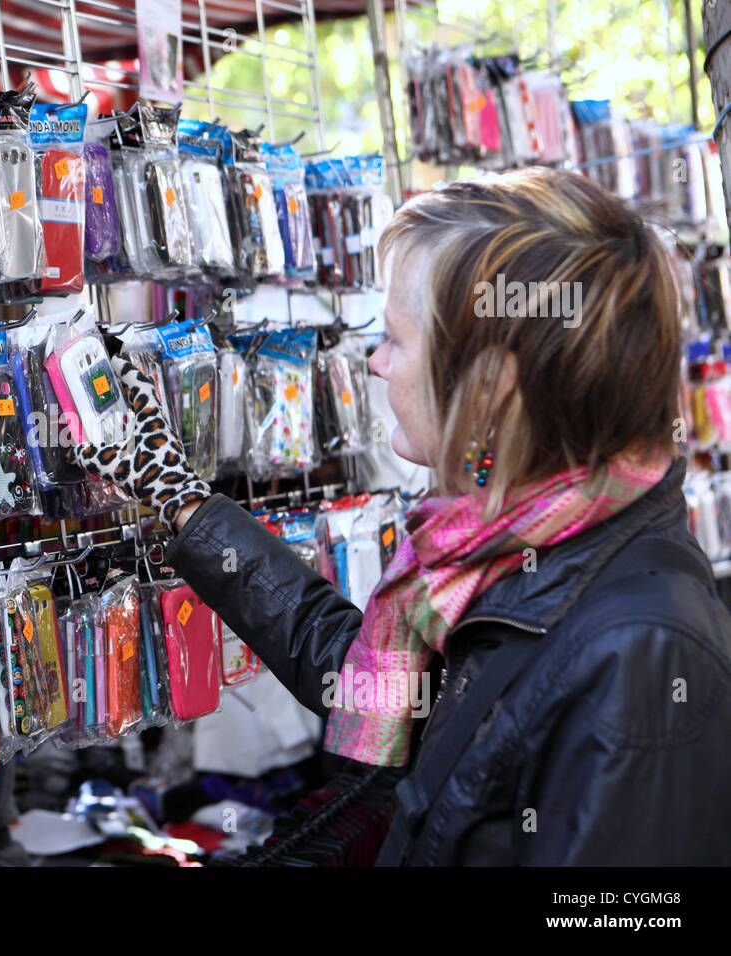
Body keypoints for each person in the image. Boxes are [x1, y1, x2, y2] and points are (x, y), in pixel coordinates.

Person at [73, 166, 731, 865]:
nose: (378, 364)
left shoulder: (639, 652)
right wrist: (183, 500)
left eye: (395, 338)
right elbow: (382, 692)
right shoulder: (516, 543)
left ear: (490, 388)